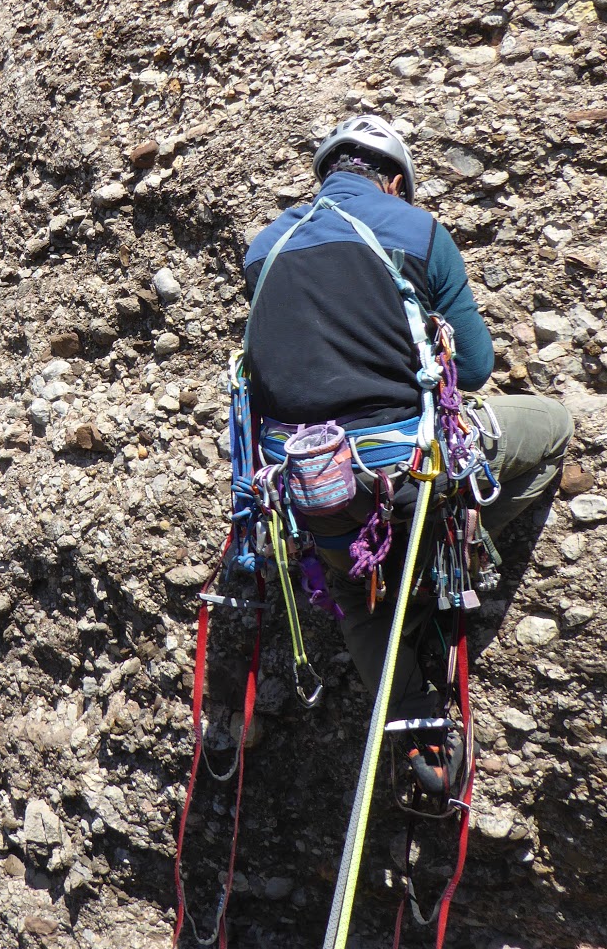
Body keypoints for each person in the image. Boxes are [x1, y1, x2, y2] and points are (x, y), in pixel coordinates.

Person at [242, 116, 572, 777]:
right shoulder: (416, 231)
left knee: (357, 595)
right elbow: (474, 368)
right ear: (393, 182)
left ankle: (416, 720)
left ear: (327, 174)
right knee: (554, 427)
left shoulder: (262, 250)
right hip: (410, 467)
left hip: (313, 483)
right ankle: (443, 566)